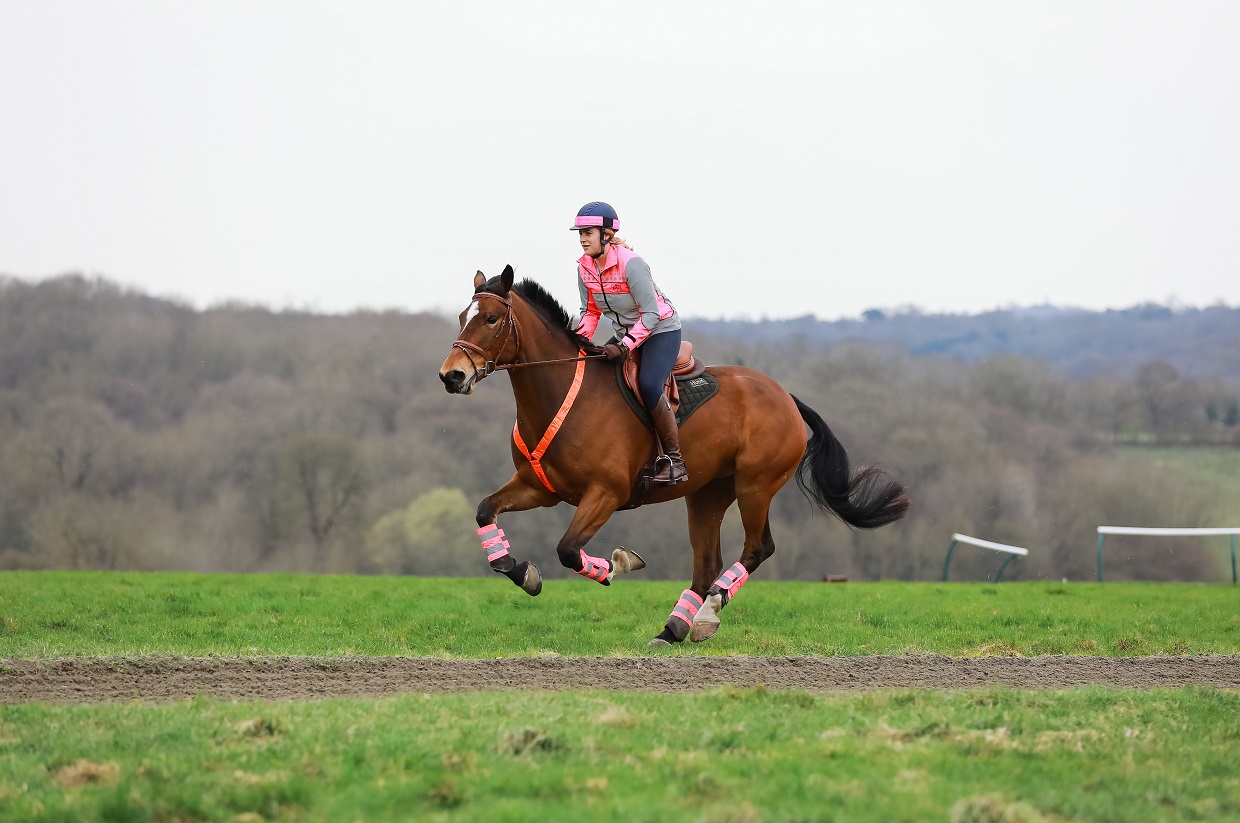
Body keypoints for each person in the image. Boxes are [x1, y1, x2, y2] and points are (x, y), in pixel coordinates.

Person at [571, 201, 687, 484]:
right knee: (594, 372)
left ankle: (675, 461)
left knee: (648, 385)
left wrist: (624, 346)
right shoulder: (584, 267)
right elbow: (590, 312)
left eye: (588, 232)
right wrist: (578, 343)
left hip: (661, 330)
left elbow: (651, 314)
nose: (583, 239)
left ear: (607, 234)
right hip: (627, 333)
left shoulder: (631, 264)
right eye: (580, 233)